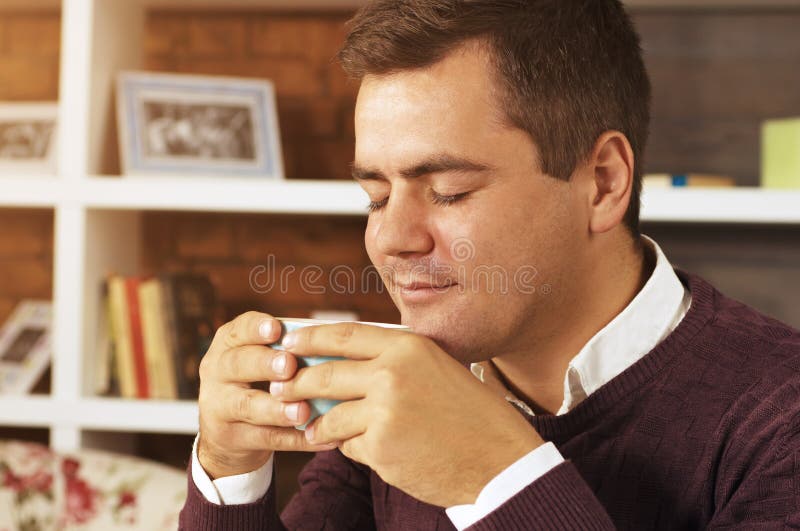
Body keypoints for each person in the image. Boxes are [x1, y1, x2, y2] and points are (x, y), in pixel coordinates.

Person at [179, 1, 800, 529]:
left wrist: (497, 477)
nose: (391, 239)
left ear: (603, 183)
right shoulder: (400, 389)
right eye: (376, 196)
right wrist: (230, 477)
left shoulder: (781, 419)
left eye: (448, 190)